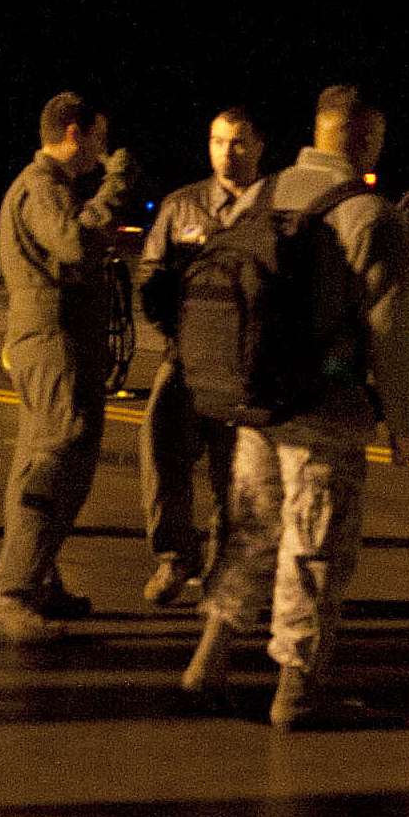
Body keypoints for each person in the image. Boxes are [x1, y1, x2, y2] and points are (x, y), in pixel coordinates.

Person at [179, 86, 409, 729]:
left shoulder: (266, 191)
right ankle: (297, 687)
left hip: (258, 396)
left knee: (251, 525)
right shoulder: (372, 215)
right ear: (366, 139)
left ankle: (208, 663)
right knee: (316, 543)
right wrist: (403, 420)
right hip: (325, 401)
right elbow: (391, 329)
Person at [0, 92, 135, 643]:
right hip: (51, 340)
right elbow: (72, 243)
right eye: (100, 136)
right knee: (56, 455)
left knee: (48, 456)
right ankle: (10, 592)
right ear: (75, 133)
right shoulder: (41, 187)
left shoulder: (54, 188)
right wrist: (115, 188)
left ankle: (38, 576)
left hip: (61, 340)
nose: (104, 149)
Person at [136, 107, 267, 608]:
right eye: (216, 142)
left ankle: (223, 564)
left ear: (258, 146)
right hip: (187, 357)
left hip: (247, 365)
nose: (226, 153)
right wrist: (171, 324)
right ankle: (175, 555)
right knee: (160, 445)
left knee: (232, 469)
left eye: (236, 142)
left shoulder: (275, 207)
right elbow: (151, 272)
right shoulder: (182, 206)